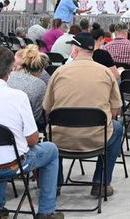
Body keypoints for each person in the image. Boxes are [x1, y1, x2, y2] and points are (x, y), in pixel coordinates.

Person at [0, 46, 62, 219]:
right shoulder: (18, 97)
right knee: (50, 149)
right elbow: (32, 140)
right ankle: (46, 210)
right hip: (10, 166)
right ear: (11, 70)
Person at [42, 33, 123, 199]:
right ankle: (101, 183)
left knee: (49, 132)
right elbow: (116, 109)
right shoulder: (106, 73)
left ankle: (55, 184)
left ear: (75, 50)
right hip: (96, 138)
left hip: (60, 137)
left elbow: (47, 109)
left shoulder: (59, 72)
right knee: (117, 128)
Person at [7, 45, 49, 129]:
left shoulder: (7, 76)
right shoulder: (40, 85)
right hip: (24, 128)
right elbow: (36, 116)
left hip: (5, 122)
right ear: (41, 70)